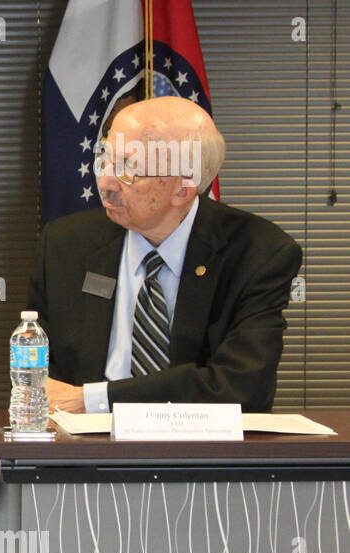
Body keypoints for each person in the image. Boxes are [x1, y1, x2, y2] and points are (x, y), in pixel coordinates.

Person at [28, 96, 301, 413]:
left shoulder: (258, 254)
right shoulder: (65, 245)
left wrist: (92, 400)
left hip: (200, 456)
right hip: (84, 452)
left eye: (129, 170)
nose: (106, 183)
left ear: (182, 189)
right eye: (106, 160)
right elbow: (38, 375)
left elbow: (241, 388)